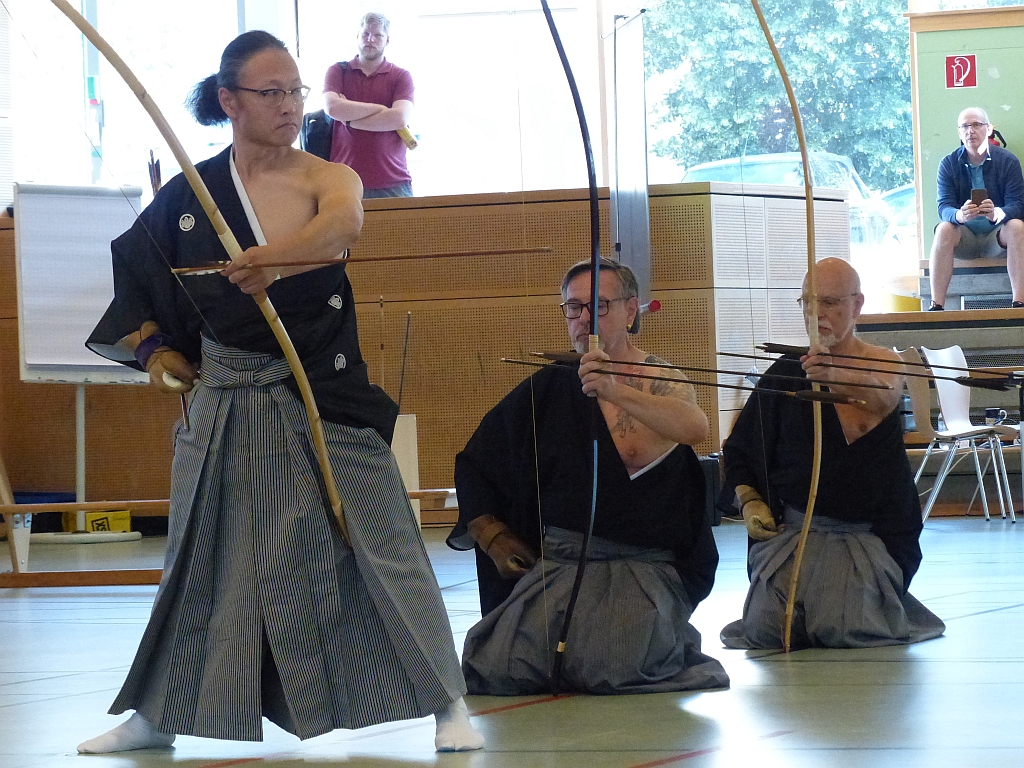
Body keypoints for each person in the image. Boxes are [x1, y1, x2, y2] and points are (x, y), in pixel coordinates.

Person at [76, 31, 482, 754]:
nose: (291, 106)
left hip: (321, 391)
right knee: (199, 558)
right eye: (272, 93)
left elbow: (341, 228)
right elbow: (137, 276)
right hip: (227, 399)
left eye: (295, 91)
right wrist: (156, 352)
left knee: (383, 540)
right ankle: (156, 715)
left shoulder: (327, 176)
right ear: (229, 101)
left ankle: (449, 701)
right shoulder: (191, 195)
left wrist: (271, 261)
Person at [446, 259, 729, 695]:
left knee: (611, 663)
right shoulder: (549, 386)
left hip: (638, 570)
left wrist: (612, 387)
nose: (583, 321)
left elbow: (695, 427)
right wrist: (494, 537)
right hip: (563, 567)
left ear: (631, 311)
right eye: (573, 308)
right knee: (497, 663)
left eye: (598, 306)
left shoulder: (658, 378)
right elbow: (479, 461)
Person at [720, 258, 945, 649]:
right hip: (794, 537)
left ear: (857, 305)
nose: (816, 314)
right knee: (768, 630)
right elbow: (739, 449)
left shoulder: (882, 362)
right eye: (807, 303)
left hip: (863, 541)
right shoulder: (787, 372)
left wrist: (834, 372)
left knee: (844, 625)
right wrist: (750, 502)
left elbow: (883, 395)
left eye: (829, 303)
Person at [928, 106, 1024, 310]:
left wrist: (997, 213)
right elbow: (944, 206)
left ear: (988, 129)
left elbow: (1018, 204)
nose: (970, 131)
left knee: (1016, 226)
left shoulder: (1008, 162)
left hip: (997, 239)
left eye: (976, 125)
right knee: (944, 227)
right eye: (965, 126)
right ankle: (936, 305)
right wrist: (959, 216)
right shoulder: (948, 163)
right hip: (965, 238)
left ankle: (1019, 302)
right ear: (959, 132)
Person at [323, 12, 414, 198]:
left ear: (387, 40)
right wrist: (381, 109)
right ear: (358, 37)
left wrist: (348, 119)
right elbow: (332, 108)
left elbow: (399, 118)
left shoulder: (401, 76)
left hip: (393, 182)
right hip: (344, 181)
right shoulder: (337, 72)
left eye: (377, 35)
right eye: (365, 34)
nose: (370, 40)